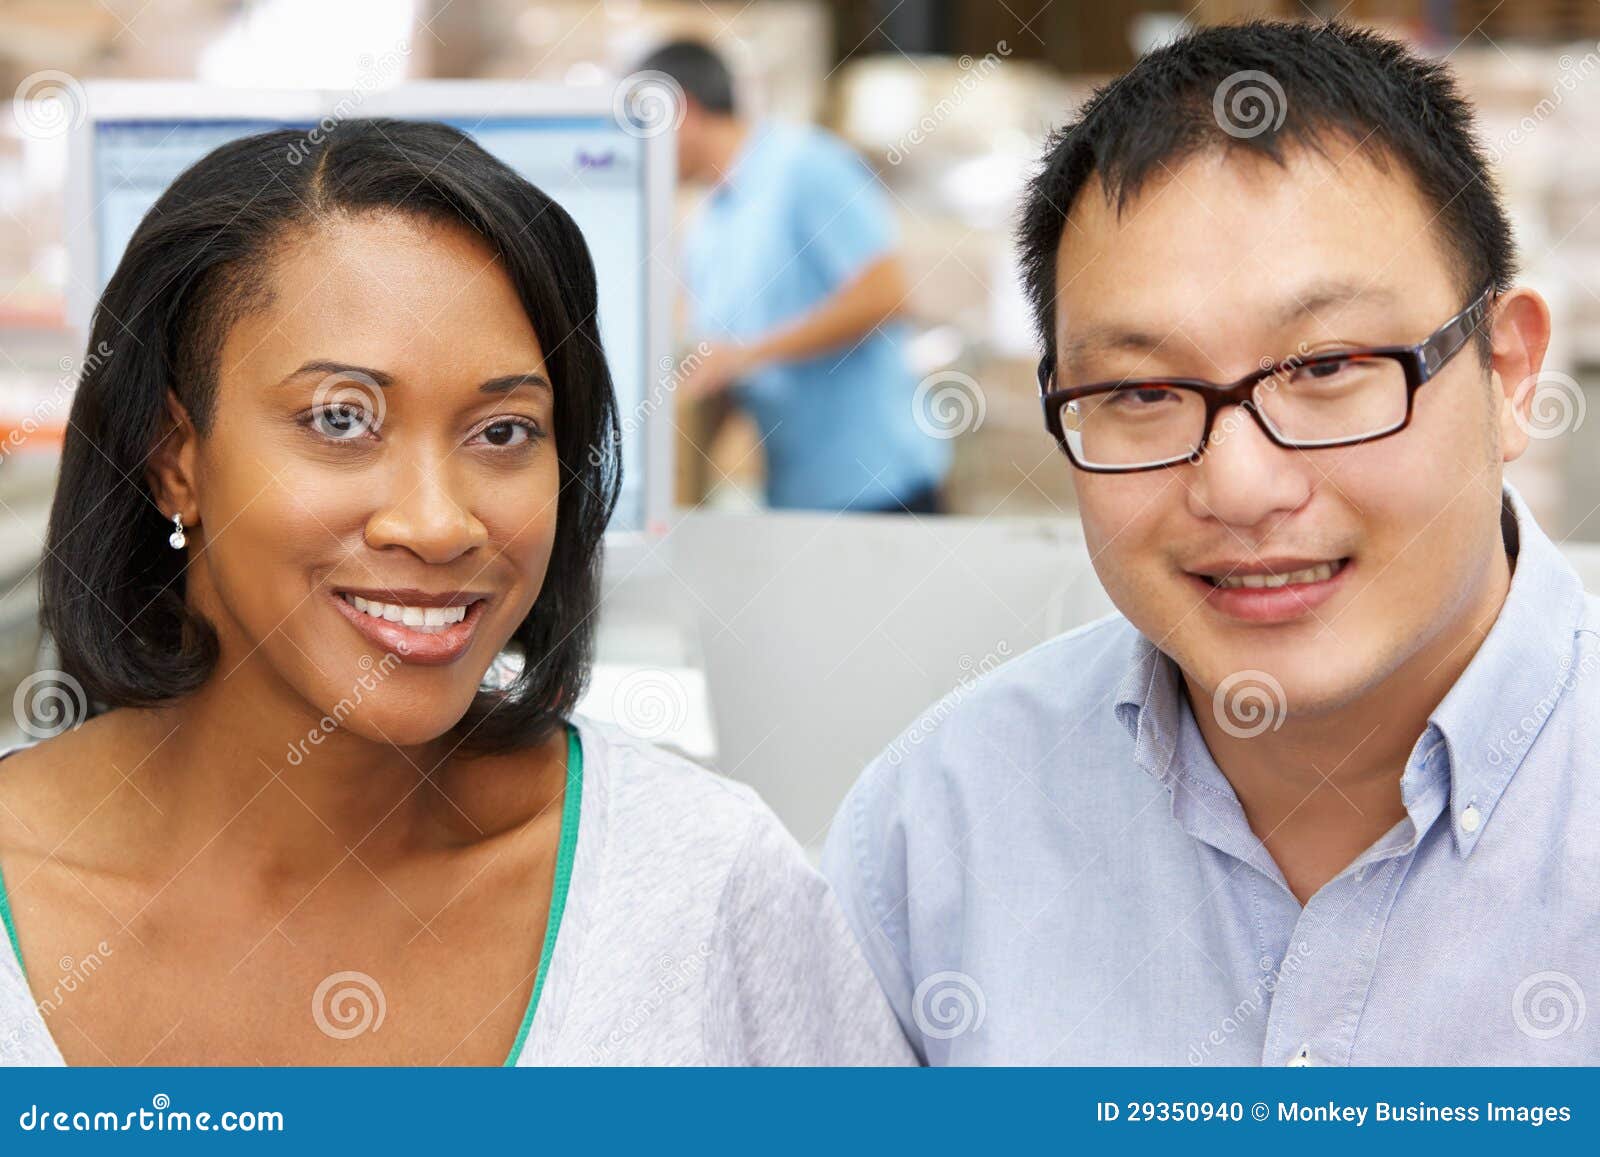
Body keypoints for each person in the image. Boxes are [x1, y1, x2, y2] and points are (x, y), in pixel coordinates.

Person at [0, 119, 911, 1067]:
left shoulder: (701, 883)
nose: (439, 526)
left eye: (504, 431)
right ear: (173, 459)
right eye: (341, 418)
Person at [824, 20, 1599, 1065]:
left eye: (1325, 367)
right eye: (1140, 390)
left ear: (1507, 373)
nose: (1239, 486)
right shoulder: (935, 829)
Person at [639, 39, 951, 514]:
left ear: (681, 111)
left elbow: (887, 295)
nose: (641, 152)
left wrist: (747, 356)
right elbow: (717, 362)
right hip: (797, 496)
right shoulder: (708, 224)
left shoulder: (804, 166)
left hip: (878, 490)